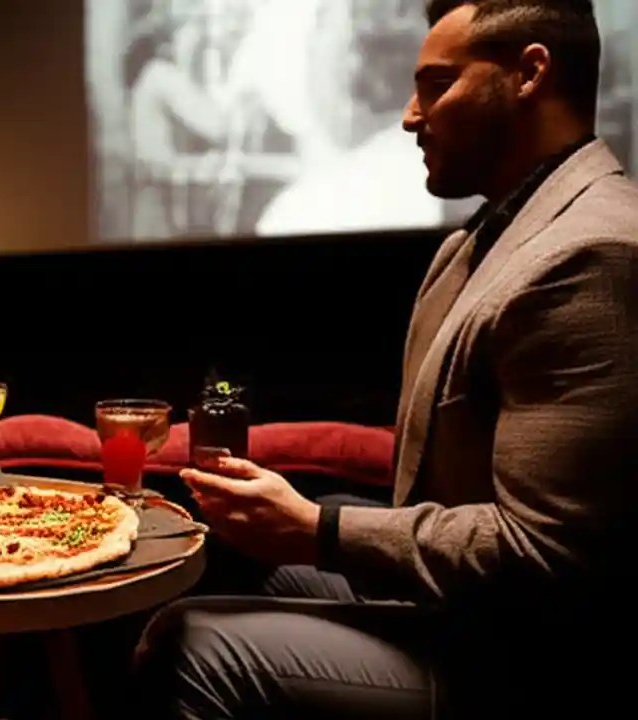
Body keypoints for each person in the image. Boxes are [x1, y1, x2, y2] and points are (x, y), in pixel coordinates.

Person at [134, 1, 638, 717]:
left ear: (529, 73)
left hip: (534, 663)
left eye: (436, 85)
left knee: (191, 643)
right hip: (464, 612)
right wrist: (298, 526)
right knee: (260, 564)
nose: (409, 115)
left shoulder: (592, 254)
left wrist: (320, 530)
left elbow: (547, 556)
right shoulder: (482, 238)